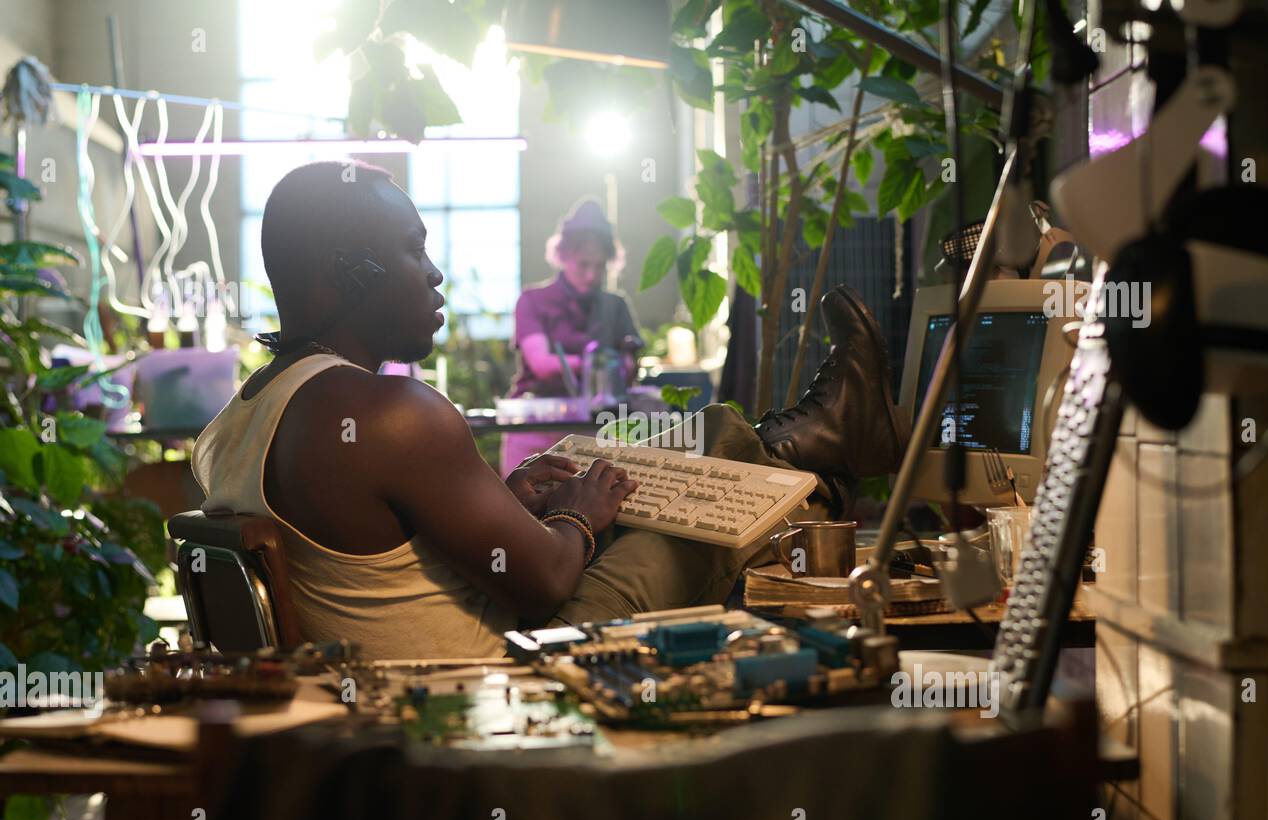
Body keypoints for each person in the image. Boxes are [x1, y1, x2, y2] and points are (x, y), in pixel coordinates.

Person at [193, 161, 908, 659]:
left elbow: (374, 560)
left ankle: (822, 449)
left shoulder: (234, 424)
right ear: (352, 271)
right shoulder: (392, 413)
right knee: (711, 460)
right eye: (414, 250)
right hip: (510, 668)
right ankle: (825, 450)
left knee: (683, 456)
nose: (436, 272)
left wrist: (506, 507)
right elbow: (542, 583)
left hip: (399, 675)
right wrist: (573, 514)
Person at [499, 199, 639, 476]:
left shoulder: (616, 306)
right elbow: (542, 363)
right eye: (583, 264)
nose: (591, 275)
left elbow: (630, 366)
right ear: (562, 256)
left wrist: (624, 366)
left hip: (597, 428)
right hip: (536, 426)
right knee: (523, 508)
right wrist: (600, 365)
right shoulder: (533, 301)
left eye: (600, 266)